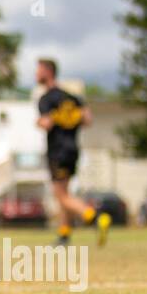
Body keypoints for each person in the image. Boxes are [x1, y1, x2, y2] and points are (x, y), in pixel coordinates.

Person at [35, 58, 111, 246]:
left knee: (61, 196)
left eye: (38, 70)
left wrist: (43, 121)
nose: (35, 74)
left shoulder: (46, 99)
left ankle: (94, 217)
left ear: (47, 72)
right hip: (73, 149)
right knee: (65, 192)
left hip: (57, 151)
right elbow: (87, 120)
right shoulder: (72, 97)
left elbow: (45, 124)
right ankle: (64, 233)